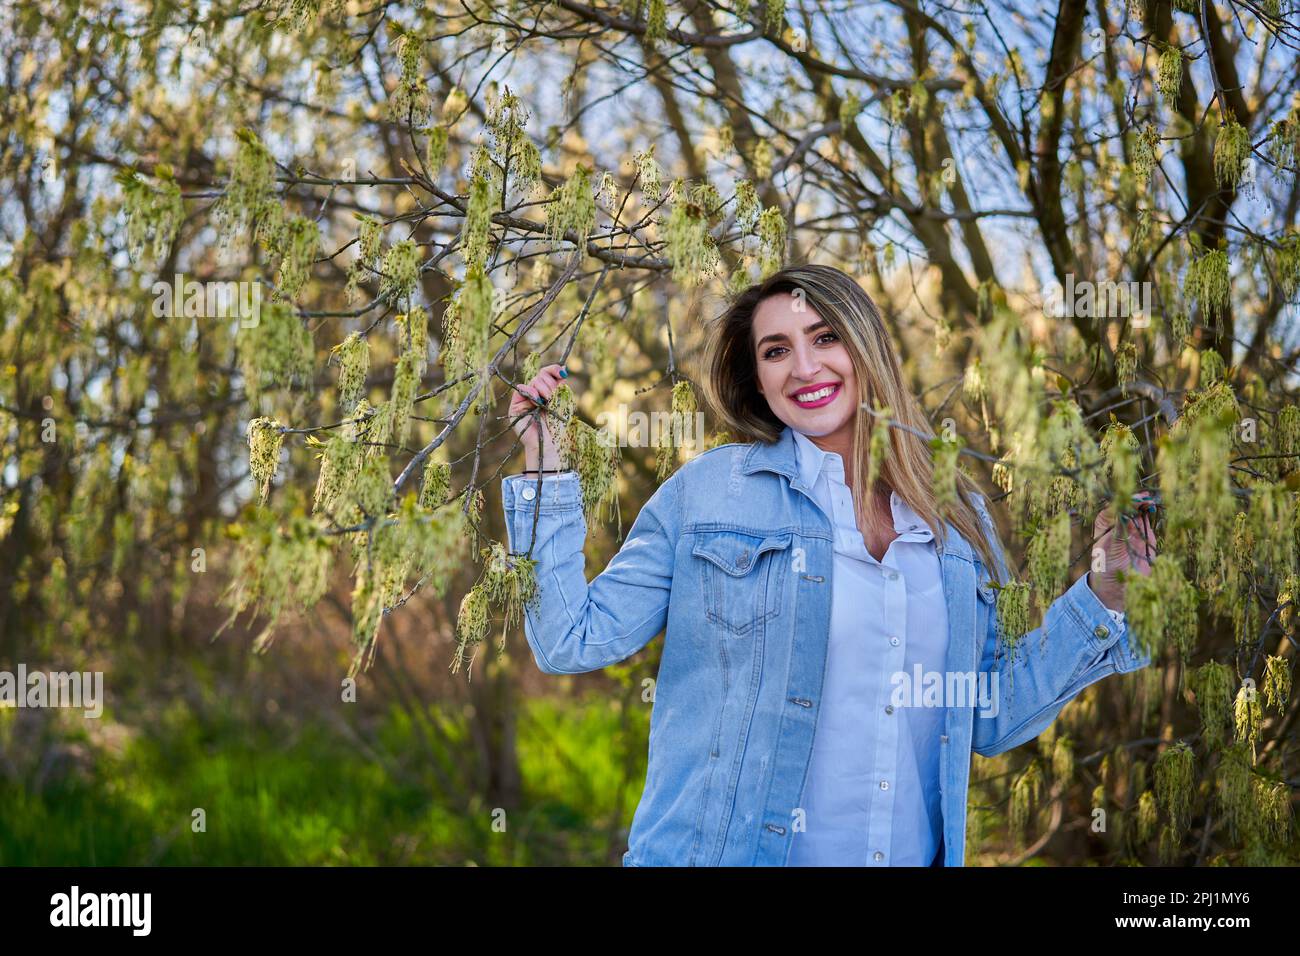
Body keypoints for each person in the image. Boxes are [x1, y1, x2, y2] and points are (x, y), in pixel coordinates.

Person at [501, 263, 1157, 867]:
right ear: (756, 377)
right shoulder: (708, 495)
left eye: (825, 337)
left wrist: (1105, 596)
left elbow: (988, 713)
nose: (804, 367)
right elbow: (569, 641)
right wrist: (544, 470)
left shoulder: (957, 517)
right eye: (776, 350)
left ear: (866, 347)